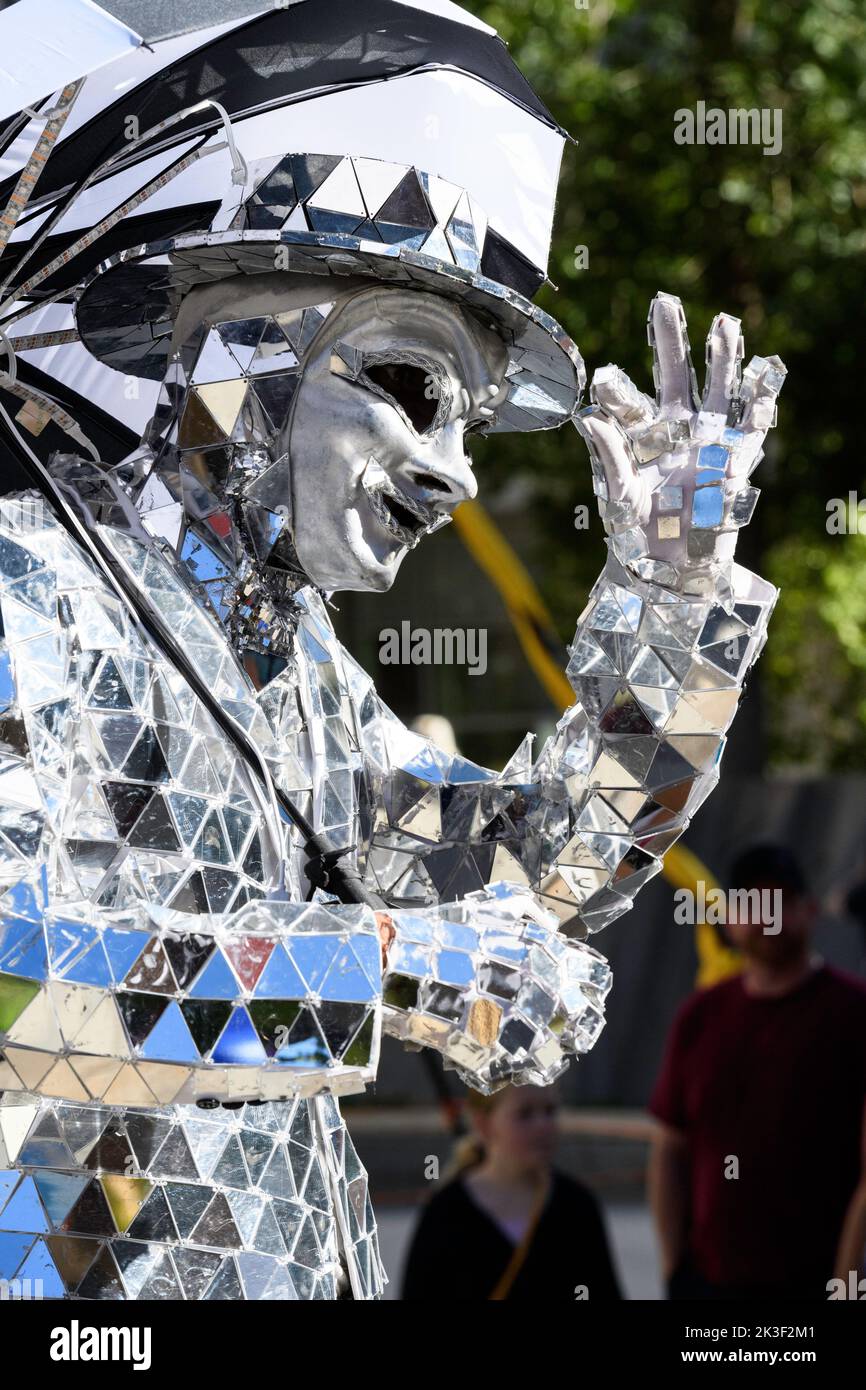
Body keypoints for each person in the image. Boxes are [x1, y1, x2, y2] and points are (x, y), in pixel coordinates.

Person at [0, 2, 783, 1300]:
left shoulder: (280, 661)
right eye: (414, 387)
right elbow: (20, 990)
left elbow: (535, 878)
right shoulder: (23, 583)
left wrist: (675, 605)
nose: (454, 476)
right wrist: (395, 968)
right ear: (228, 338)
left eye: (473, 422)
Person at [648, 843, 866, 1300]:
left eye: (780, 902)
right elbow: (670, 1148)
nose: (766, 917)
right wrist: (675, 1270)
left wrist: (847, 1287)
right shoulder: (699, 1018)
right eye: (751, 904)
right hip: (709, 1284)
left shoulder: (853, 1016)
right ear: (729, 917)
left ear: (810, 910)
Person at [401, 1084, 622, 1300]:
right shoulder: (446, 1212)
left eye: (550, 1111)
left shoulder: (577, 1206)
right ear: (484, 1124)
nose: (543, 1125)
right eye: (524, 1114)